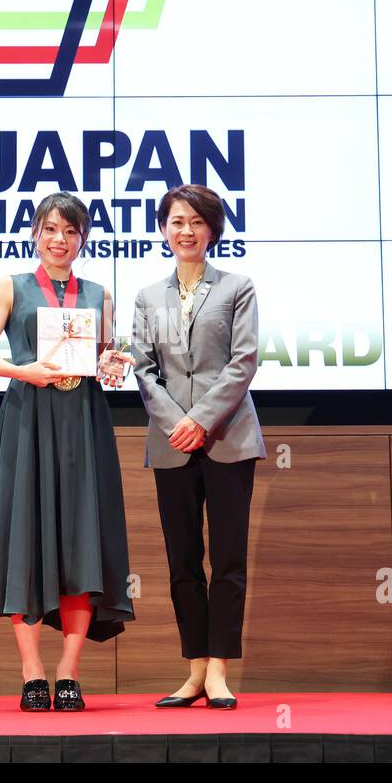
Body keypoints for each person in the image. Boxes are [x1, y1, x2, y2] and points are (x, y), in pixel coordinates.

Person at [0, 191, 134, 712]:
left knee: (81, 542)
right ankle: (32, 672)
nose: (59, 240)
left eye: (70, 231)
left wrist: (113, 364)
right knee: (27, 540)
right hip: (28, 420)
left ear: (82, 238)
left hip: (83, 423)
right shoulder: (11, 286)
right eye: (50, 230)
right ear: (36, 234)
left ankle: (68, 673)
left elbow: (105, 356)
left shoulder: (99, 294)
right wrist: (23, 371)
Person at [129, 184, 265, 710]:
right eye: (177, 221)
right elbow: (144, 369)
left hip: (228, 437)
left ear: (212, 230)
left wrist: (201, 420)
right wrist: (177, 424)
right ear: (164, 229)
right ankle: (194, 669)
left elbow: (243, 361)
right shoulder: (147, 297)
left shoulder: (237, 287)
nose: (186, 231)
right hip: (171, 443)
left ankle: (220, 672)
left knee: (228, 560)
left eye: (196, 222)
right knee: (182, 562)